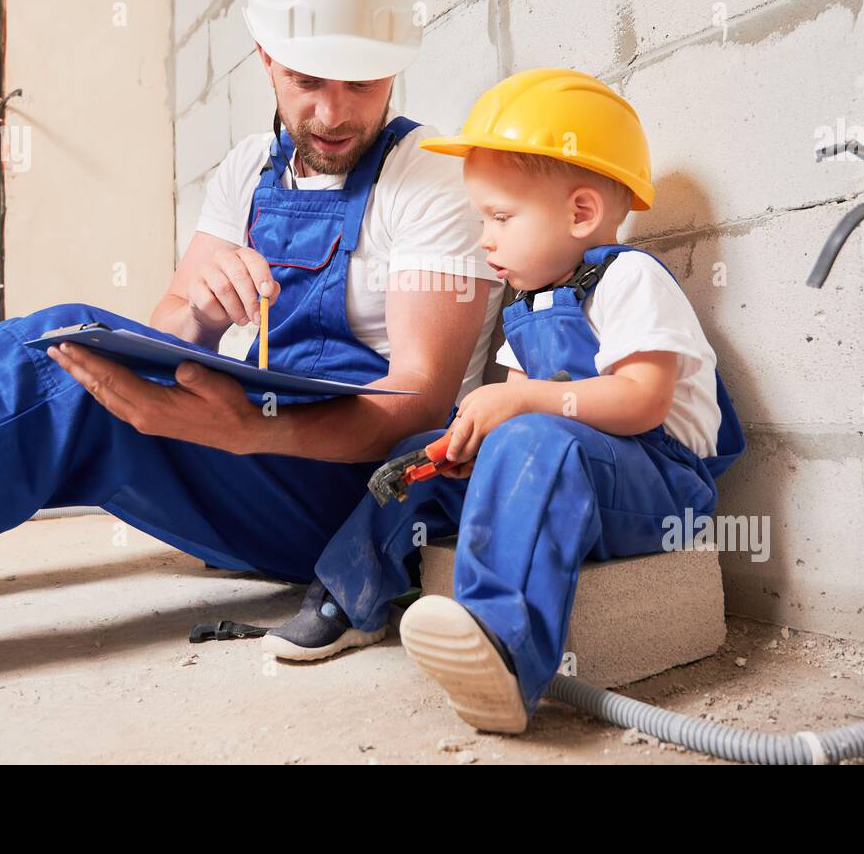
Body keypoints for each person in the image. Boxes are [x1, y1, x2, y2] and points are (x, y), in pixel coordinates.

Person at [0, 0, 502, 674]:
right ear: (265, 58)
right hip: (254, 461)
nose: (331, 111)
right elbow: (166, 331)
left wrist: (253, 431)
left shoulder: (429, 179)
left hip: (355, 500)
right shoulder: (247, 172)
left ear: (395, 64)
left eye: (360, 81)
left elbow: (416, 403)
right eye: (306, 79)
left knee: (43, 369)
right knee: (62, 362)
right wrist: (196, 312)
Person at [262, 68, 746, 734]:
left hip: (657, 486)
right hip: (562, 465)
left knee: (531, 439)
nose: (484, 236)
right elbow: (523, 408)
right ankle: (348, 598)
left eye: (499, 217)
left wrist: (516, 413)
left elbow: (641, 402)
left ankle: (503, 649)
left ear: (580, 212)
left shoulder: (629, 280)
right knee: (422, 454)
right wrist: (474, 444)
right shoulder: (531, 303)